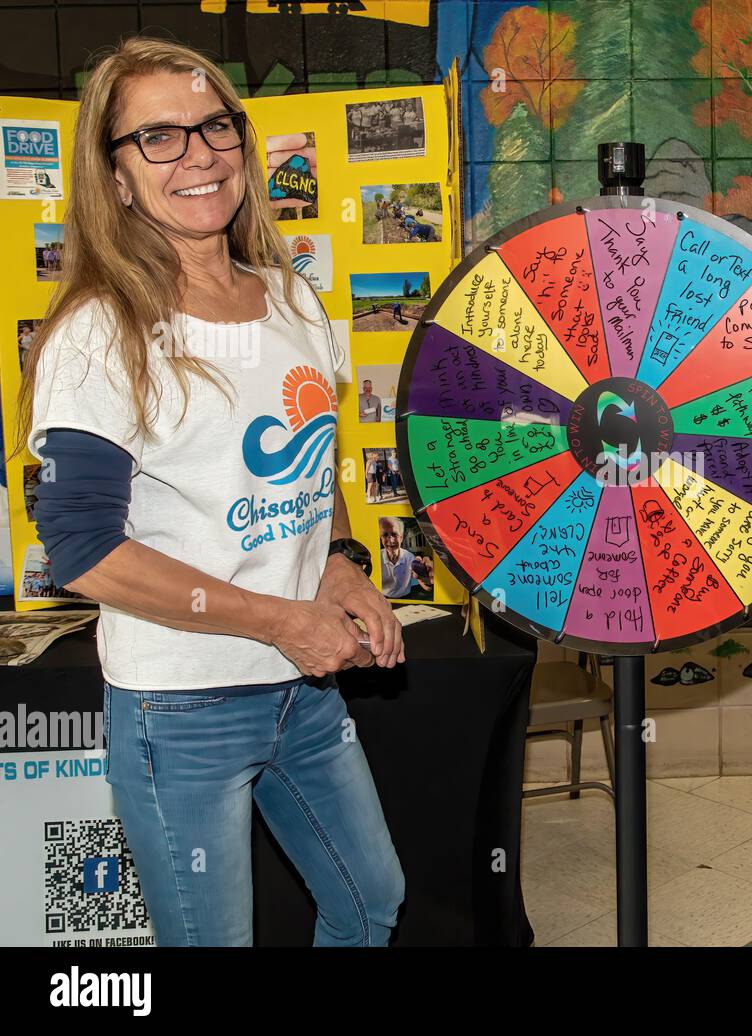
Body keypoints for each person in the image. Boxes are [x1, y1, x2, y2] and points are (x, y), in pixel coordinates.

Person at [14, 38, 406, 947]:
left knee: (369, 902)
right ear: (112, 177)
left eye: (214, 126)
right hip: (180, 707)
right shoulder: (100, 334)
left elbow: (315, 462)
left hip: (302, 688)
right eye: (157, 138)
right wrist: (275, 619)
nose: (198, 154)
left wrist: (341, 568)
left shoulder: (291, 299)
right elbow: (83, 551)